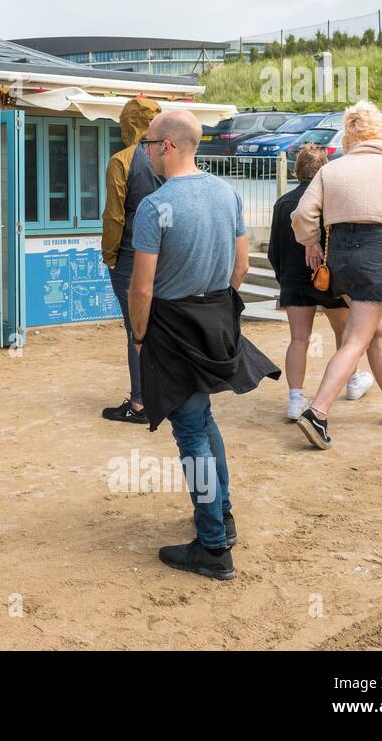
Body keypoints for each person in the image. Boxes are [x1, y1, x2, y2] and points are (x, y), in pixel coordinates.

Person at [129, 110, 280, 581]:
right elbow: (241, 264)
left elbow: (142, 288)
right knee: (203, 420)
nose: (147, 151)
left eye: (150, 143)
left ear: (169, 146)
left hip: (172, 325)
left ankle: (213, 546)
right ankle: (223, 517)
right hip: (215, 316)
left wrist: (138, 335)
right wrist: (217, 300)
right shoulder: (226, 192)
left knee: (191, 430)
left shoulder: (156, 206)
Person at [290, 101, 382, 449]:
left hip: (339, 255)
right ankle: (317, 413)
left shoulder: (332, 169)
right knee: (357, 339)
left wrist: (312, 242)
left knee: (375, 332)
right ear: (381, 130)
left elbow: (302, 214)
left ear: (348, 134)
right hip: (375, 251)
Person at [268, 143, 374, 420]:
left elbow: (273, 249)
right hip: (330, 279)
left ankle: (295, 399)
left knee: (298, 339)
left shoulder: (283, 203)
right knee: (346, 335)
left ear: (296, 170)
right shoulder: (332, 202)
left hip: (293, 279)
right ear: (325, 169)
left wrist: (284, 278)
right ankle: (351, 381)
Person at [100, 97, 163, 423]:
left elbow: (114, 216)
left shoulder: (121, 161)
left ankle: (139, 402)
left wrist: (109, 255)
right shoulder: (169, 156)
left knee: (137, 330)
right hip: (168, 255)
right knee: (166, 327)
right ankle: (169, 396)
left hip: (132, 256)